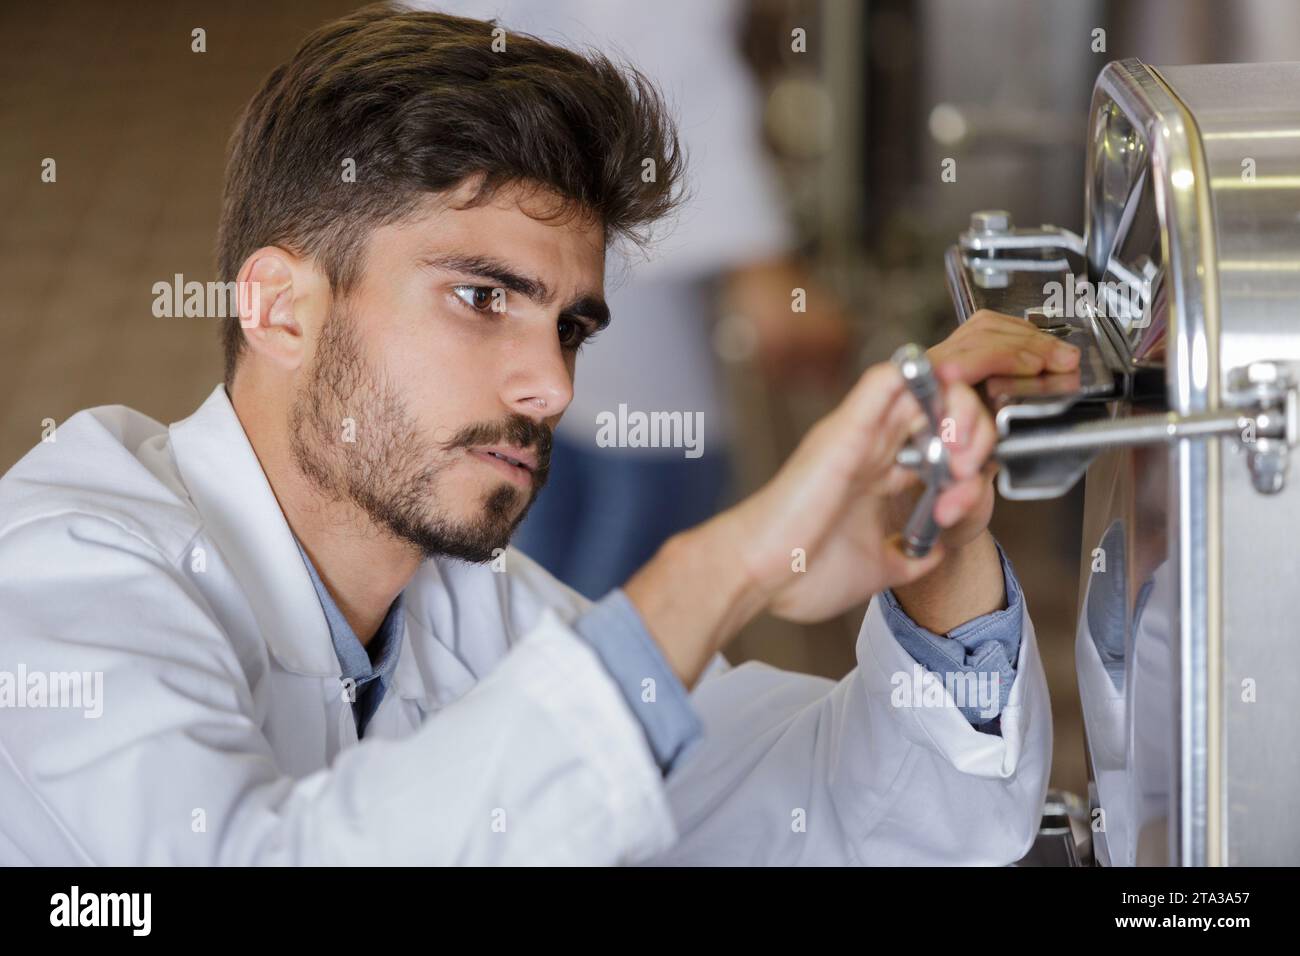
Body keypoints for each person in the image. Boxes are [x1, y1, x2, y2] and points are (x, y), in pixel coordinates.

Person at [0, 4, 1076, 865]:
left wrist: (935, 530)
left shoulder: (485, 610)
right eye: (480, 297)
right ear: (280, 308)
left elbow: (855, 821)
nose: (553, 383)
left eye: (569, 325)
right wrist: (727, 563)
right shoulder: (66, 569)